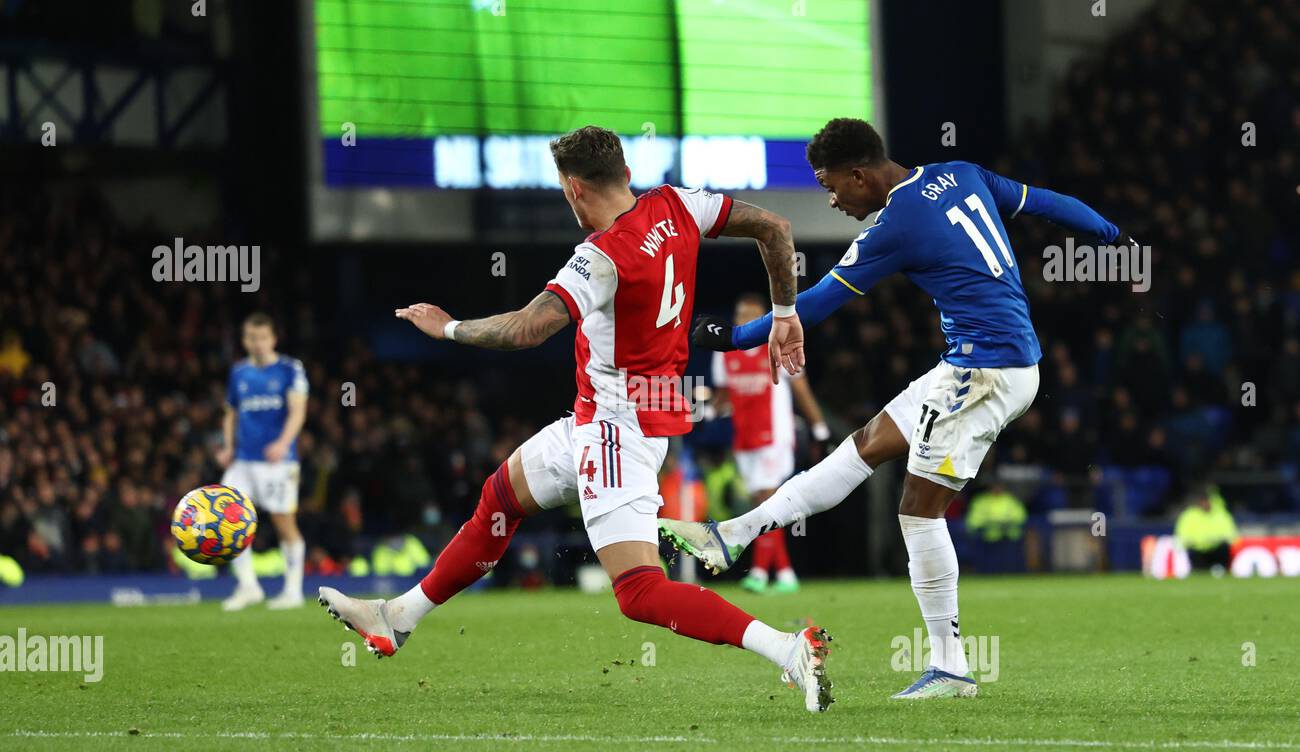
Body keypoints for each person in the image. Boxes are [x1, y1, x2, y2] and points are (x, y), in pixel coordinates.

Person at [319, 125, 835, 712]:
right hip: (625, 414)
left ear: (573, 189)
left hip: (615, 429)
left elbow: (526, 329)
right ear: (625, 174)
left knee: (639, 591)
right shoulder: (679, 204)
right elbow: (776, 227)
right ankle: (397, 617)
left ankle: (787, 647)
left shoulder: (600, 257)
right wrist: (786, 315)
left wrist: (449, 327)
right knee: (501, 498)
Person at [663, 117, 1131, 699]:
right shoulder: (961, 173)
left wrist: (730, 338)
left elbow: (819, 299)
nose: (831, 200)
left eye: (831, 186)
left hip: (987, 372)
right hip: (978, 363)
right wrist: (1112, 235)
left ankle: (952, 667)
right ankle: (734, 534)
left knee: (918, 511)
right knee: (864, 445)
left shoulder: (895, 225)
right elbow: (1049, 202)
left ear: (860, 174)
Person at [709, 292, 830, 593]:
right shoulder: (724, 352)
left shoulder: (776, 344)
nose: (746, 321)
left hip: (775, 435)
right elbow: (723, 396)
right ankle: (786, 573)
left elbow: (801, 388)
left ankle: (760, 574)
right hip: (745, 437)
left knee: (766, 501)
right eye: (741, 315)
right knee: (761, 505)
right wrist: (706, 410)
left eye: (753, 316)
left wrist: (819, 426)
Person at [217, 312, 310, 611]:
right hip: (243, 461)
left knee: (283, 523)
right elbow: (231, 413)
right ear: (244, 340)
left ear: (273, 339)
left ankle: (293, 590)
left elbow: (298, 410)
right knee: (226, 520)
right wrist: (228, 446)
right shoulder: (239, 372)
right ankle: (248, 587)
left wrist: (283, 443)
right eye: (251, 338)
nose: (257, 344)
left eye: (262, 338)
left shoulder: (289, 369)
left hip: (278, 463)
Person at [1174, 485, 1238, 573]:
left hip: (1216, 549)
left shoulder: (1221, 514)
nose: (1205, 503)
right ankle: (1197, 570)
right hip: (1197, 550)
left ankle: (1224, 570)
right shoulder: (1189, 515)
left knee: (1224, 548)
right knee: (1193, 554)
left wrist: (1215, 540)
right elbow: (1182, 537)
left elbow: (1232, 535)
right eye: (1203, 501)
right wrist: (1200, 541)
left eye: (1207, 501)